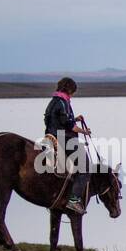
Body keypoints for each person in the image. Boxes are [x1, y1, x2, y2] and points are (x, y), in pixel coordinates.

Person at [43, 77, 90, 214]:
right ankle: (73, 200)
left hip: (51, 136)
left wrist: (75, 119)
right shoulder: (63, 103)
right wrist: (84, 131)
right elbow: (69, 125)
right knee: (85, 168)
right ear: (69, 89)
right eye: (72, 92)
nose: (72, 95)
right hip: (64, 139)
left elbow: (57, 120)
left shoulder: (54, 101)